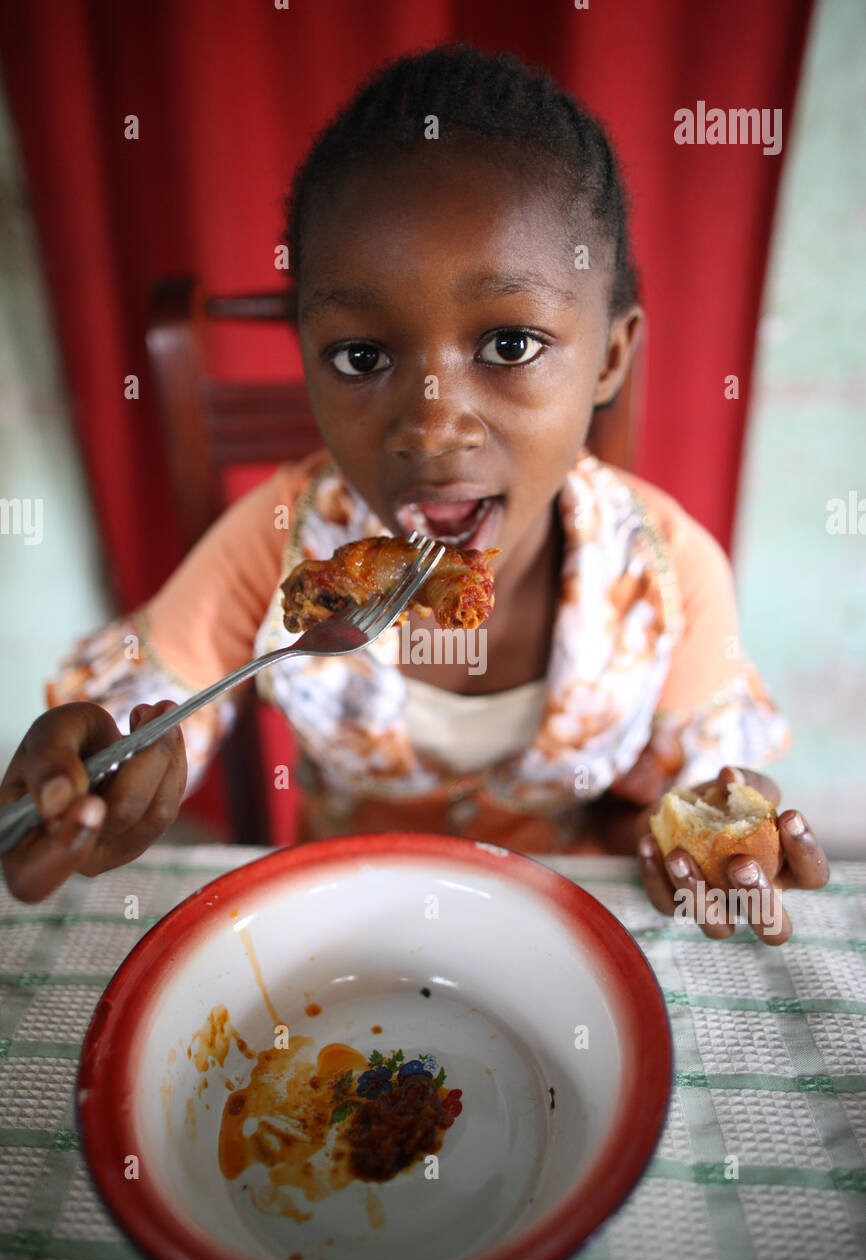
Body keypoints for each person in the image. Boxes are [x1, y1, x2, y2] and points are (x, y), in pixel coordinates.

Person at [0, 44, 828, 936]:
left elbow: (681, 799)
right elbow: (152, 713)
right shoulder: (278, 545)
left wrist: (713, 836)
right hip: (338, 931)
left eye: (509, 345)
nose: (431, 427)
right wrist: (109, 773)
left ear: (611, 359)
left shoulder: (669, 579)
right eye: (362, 357)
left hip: (558, 933)